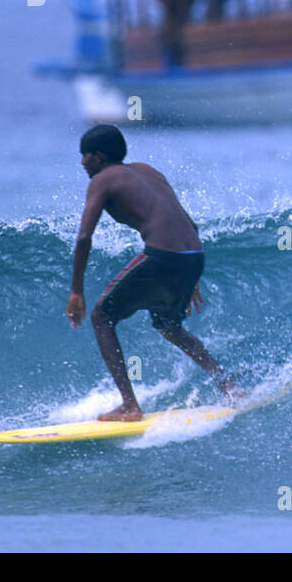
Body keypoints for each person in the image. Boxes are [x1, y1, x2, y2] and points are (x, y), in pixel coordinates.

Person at [64, 125, 237, 420]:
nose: (82, 163)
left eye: (86, 156)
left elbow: (83, 238)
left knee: (101, 316)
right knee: (169, 326)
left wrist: (76, 290)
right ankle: (229, 384)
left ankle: (130, 406)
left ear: (100, 157)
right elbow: (190, 226)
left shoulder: (102, 179)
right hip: (193, 255)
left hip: (163, 256)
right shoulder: (148, 171)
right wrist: (190, 277)